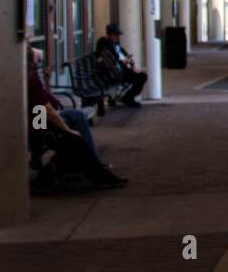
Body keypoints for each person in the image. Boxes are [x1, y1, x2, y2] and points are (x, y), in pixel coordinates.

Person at [27, 48, 127, 189]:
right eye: (37, 62)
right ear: (30, 63)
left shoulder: (32, 81)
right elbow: (44, 111)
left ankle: (94, 163)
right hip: (41, 121)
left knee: (77, 116)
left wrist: (47, 81)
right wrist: (67, 130)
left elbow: (44, 103)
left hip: (43, 117)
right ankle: (97, 171)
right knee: (74, 137)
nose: (38, 66)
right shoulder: (30, 82)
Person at [95, 22, 148, 108]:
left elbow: (124, 54)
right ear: (111, 34)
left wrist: (132, 64)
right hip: (113, 72)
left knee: (140, 75)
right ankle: (127, 98)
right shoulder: (103, 43)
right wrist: (128, 65)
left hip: (119, 70)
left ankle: (123, 98)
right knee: (142, 77)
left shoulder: (114, 43)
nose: (118, 37)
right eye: (116, 35)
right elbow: (113, 59)